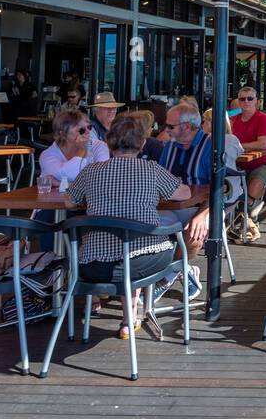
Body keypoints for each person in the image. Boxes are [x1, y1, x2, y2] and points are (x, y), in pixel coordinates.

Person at [65, 113, 195, 339]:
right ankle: (129, 318)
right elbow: (185, 193)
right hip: (141, 263)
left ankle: (129, 317)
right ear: (143, 143)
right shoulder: (151, 170)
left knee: (124, 247)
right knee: (137, 247)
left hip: (93, 265)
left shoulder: (91, 172)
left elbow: (69, 201)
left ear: (108, 141)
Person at [231, 85, 266, 216]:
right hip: (237, 164)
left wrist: (239, 146)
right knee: (223, 188)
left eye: (250, 98)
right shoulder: (233, 120)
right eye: (242, 99)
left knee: (252, 190)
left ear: (257, 101)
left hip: (261, 162)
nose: (246, 102)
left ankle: (246, 212)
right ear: (238, 101)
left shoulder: (263, 118)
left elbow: (262, 144)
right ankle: (246, 214)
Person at [39, 108, 110, 183]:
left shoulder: (99, 146)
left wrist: (60, 183)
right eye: (81, 130)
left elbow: (101, 177)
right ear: (63, 134)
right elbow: (69, 175)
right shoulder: (47, 155)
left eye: (89, 127)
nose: (88, 132)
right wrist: (81, 150)